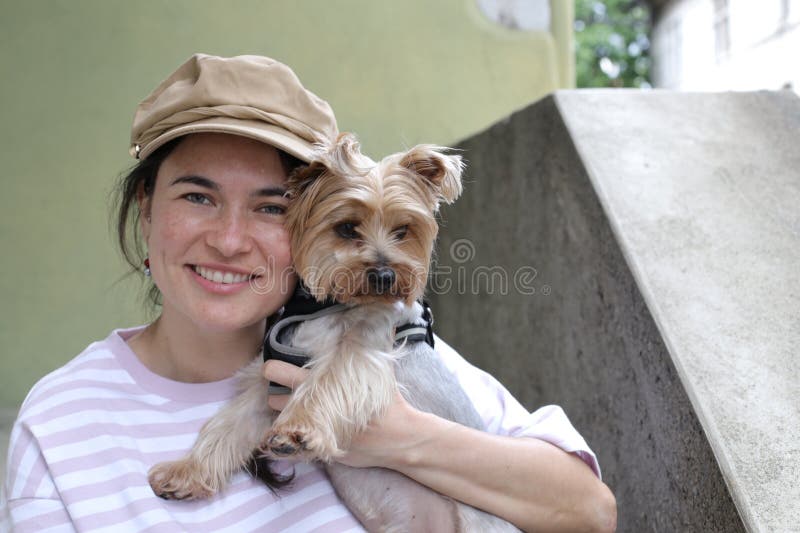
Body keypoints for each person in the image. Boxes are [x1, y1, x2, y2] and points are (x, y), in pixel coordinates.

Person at [1, 54, 616, 532]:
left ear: (299, 227)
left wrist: (404, 439)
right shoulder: (60, 423)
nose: (231, 240)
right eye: (197, 196)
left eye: (270, 208)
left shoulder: (403, 342)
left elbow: (591, 511)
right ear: (145, 211)